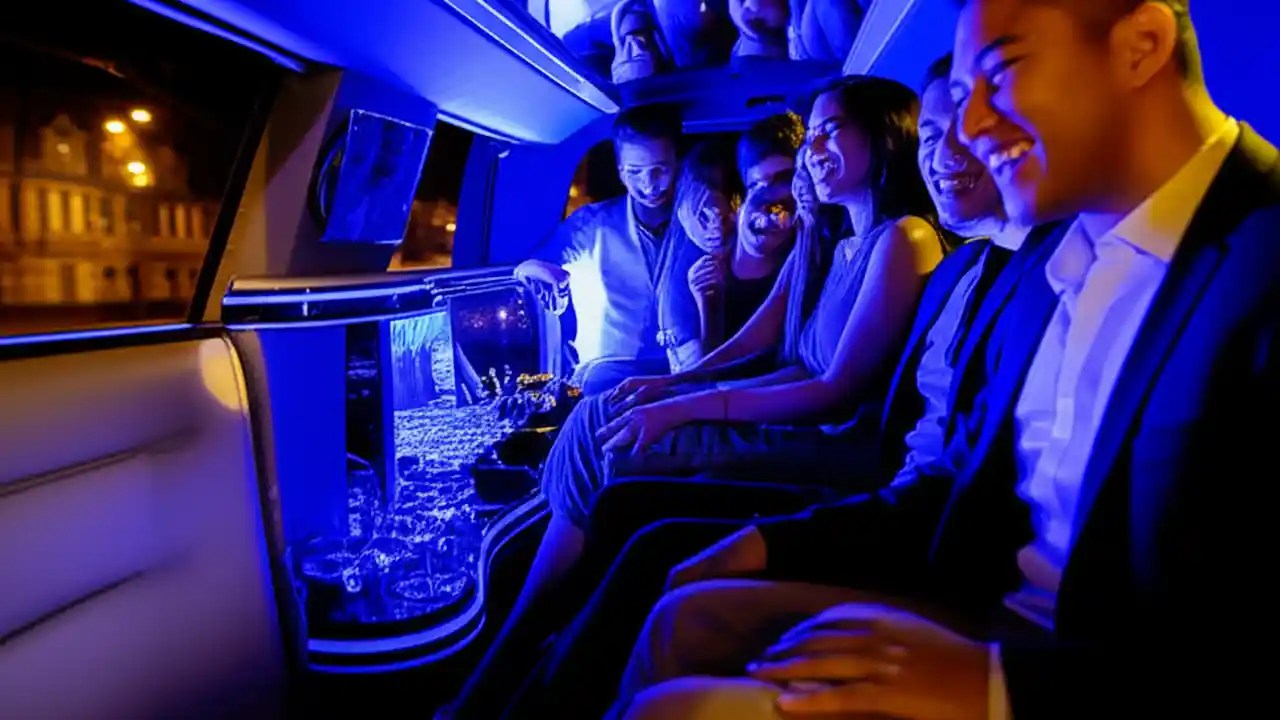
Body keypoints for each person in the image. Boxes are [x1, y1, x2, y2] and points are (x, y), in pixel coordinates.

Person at [612, 1, 1280, 717]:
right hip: (988, 604)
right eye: (960, 101)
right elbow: (954, 485)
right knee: (681, 619)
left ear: (1140, 46)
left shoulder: (1259, 256)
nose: (972, 129)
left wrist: (994, 686)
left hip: (1093, 665)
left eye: (1003, 72)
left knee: (676, 708)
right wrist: (767, 543)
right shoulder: (1048, 261)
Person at [498, 54, 1037, 720]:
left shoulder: (908, 239)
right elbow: (767, 344)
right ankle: (547, 636)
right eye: (807, 138)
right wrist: (671, 386)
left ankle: (529, 646)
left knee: (610, 445)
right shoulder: (839, 240)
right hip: (831, 428)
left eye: (828, 133)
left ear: (882, 136)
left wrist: (686, 401)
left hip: (841, 441)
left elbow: (836, 390)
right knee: (609, 425)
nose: (811, 154)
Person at [516, 104, 680, 396]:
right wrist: (535, 270)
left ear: (677, 163)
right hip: (605, 379)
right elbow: (536, 264)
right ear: (620, 170)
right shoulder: (592, 226)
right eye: (635, 171)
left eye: (660, 169)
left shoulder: (700, 224)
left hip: (678, 375)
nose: (649, 184)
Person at [656, 138, 788, 372]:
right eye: (703, 215)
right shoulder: (684, 274)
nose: (715, 229)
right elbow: (696, 380)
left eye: (727, 215)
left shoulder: (771, 259)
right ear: (681, 209)